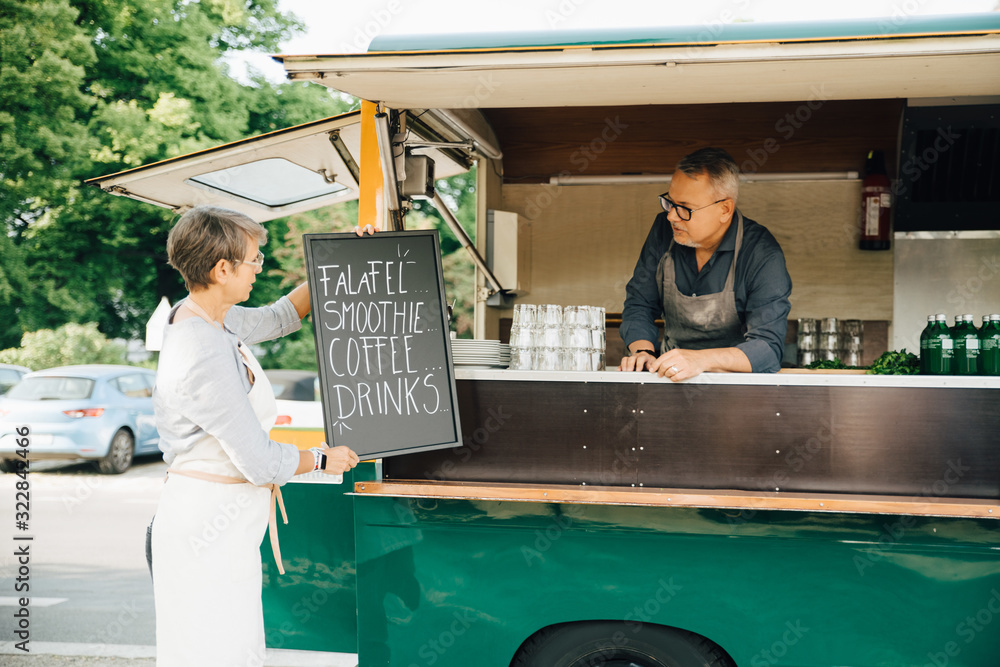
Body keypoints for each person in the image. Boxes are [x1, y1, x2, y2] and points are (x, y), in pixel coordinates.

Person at [150, 205, 362, 666]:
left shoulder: (214, 318)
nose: (259, 269)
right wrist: (323, 460)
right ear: (222, 268)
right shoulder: (200, 347)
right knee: (215, 653)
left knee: (231, 649)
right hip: (206, 530)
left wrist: (341, 257)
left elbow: (282, 315)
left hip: (221, 525)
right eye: (254, 260)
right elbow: (259, 461)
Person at [619, 147, 792, 381]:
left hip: (740, 390)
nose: (671, 216)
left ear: (724, 209)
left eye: (685, 208)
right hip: (669, 382)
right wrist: (643, 351)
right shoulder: (664, 230)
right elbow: (640, 303)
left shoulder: (761, 253)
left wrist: (700, 360)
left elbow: (768, 349)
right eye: (670, 202)